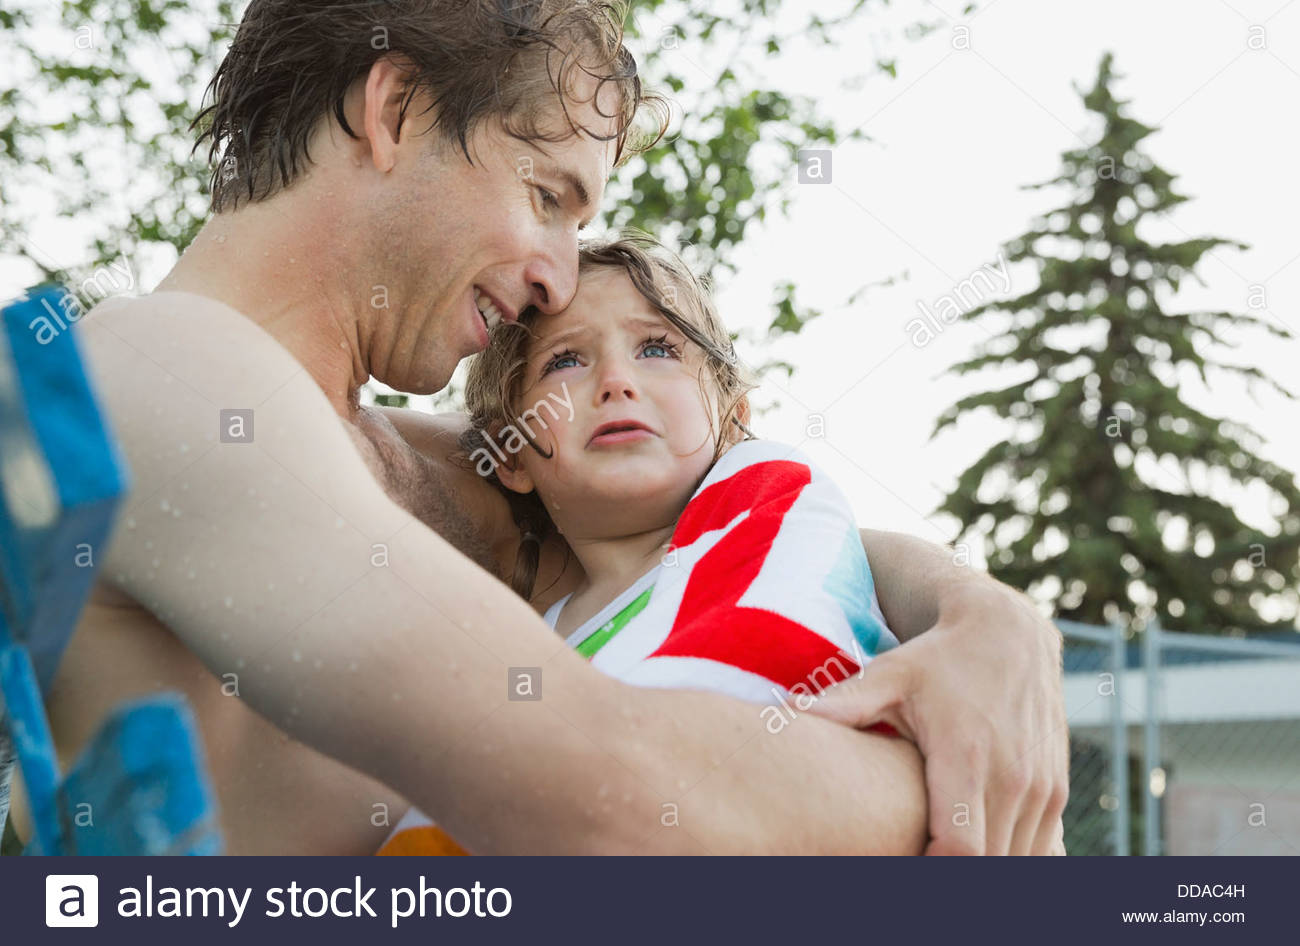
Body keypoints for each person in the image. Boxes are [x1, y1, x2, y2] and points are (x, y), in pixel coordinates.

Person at [11, 0, 1066, 854]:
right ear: (396, 108)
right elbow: (614, 802)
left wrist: (983, 621)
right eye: (548, 196)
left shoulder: (422, 465)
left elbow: (737, 511)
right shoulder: (152, 372)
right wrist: (959, 771)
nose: (560, 273)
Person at [381, 234, 916, 854]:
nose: (615, 381)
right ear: (512, 453)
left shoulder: (769, 496)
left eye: (657, 348)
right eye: (565, 361)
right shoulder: (528, 644)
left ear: (734, 418)